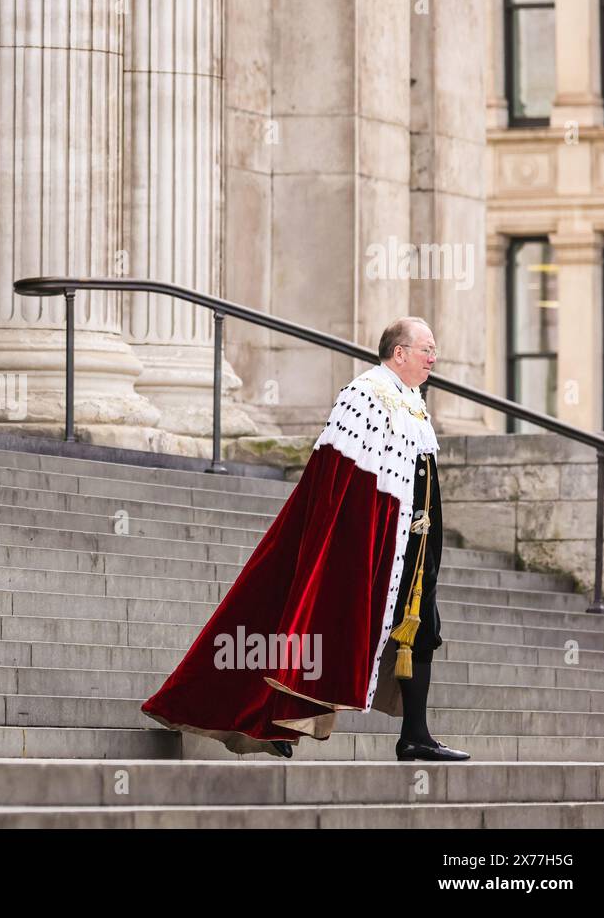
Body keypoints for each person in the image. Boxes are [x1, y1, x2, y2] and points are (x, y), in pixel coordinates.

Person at [142, 317, 470, 762]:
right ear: (400, 352)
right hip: (371, 545)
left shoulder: (413, 400)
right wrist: (354, 546)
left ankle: (415, 736)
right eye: (427, 349)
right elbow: (337, 480)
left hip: (413, 550)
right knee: (314, 625)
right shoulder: (365, 393)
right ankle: (272, 719)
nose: (434, 358)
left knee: (420, 633)